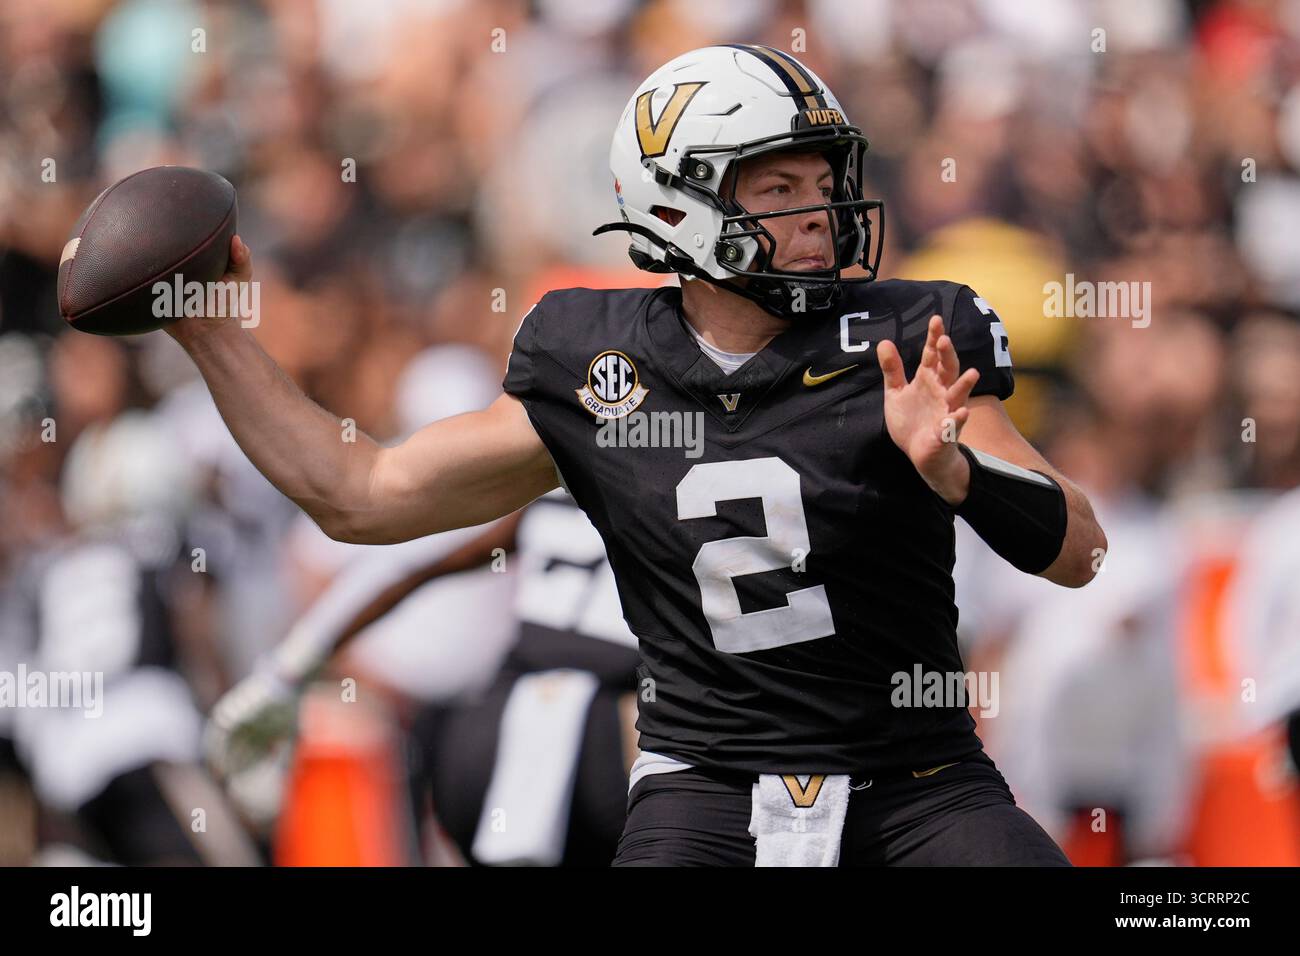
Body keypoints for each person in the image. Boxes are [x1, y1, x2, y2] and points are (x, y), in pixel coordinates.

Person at [161, 45, 1105, 865]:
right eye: (779, 188)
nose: (818, 215)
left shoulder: (903, 338)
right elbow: (361, 494)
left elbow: (1082, 553)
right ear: (677, 202)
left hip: (916, 783)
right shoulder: (593, 361)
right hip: (707, 788)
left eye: (824, 185)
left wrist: (962, 477)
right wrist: (211, 335)